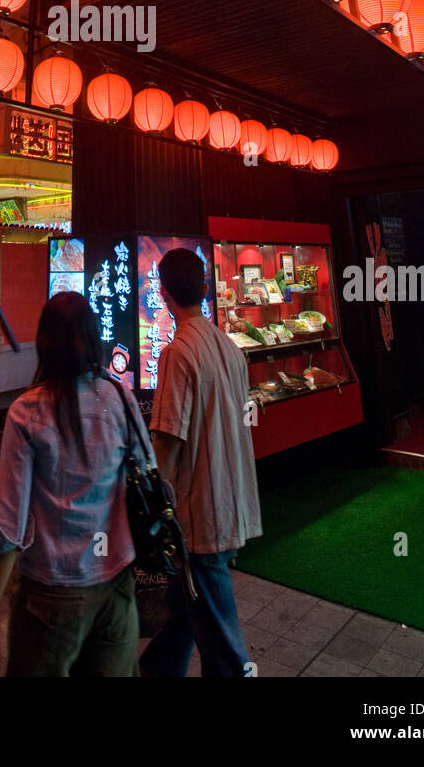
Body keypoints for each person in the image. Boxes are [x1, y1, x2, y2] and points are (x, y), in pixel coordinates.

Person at [0, 291, 150, 678]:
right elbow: (148, 473)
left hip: (50, 594)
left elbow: (9, 529)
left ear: (45, 343)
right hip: (117, 588)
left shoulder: (26, 412)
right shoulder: (120, 398)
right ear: (94, 337)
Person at [140, 248, 262, 678]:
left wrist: (154, 499)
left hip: (201, 512)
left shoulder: (178, 353)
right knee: (185, 610)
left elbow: (169, 439)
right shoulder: (230, 348)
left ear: (164, 293)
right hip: (233, 499)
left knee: (220, 634)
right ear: (205, 289)